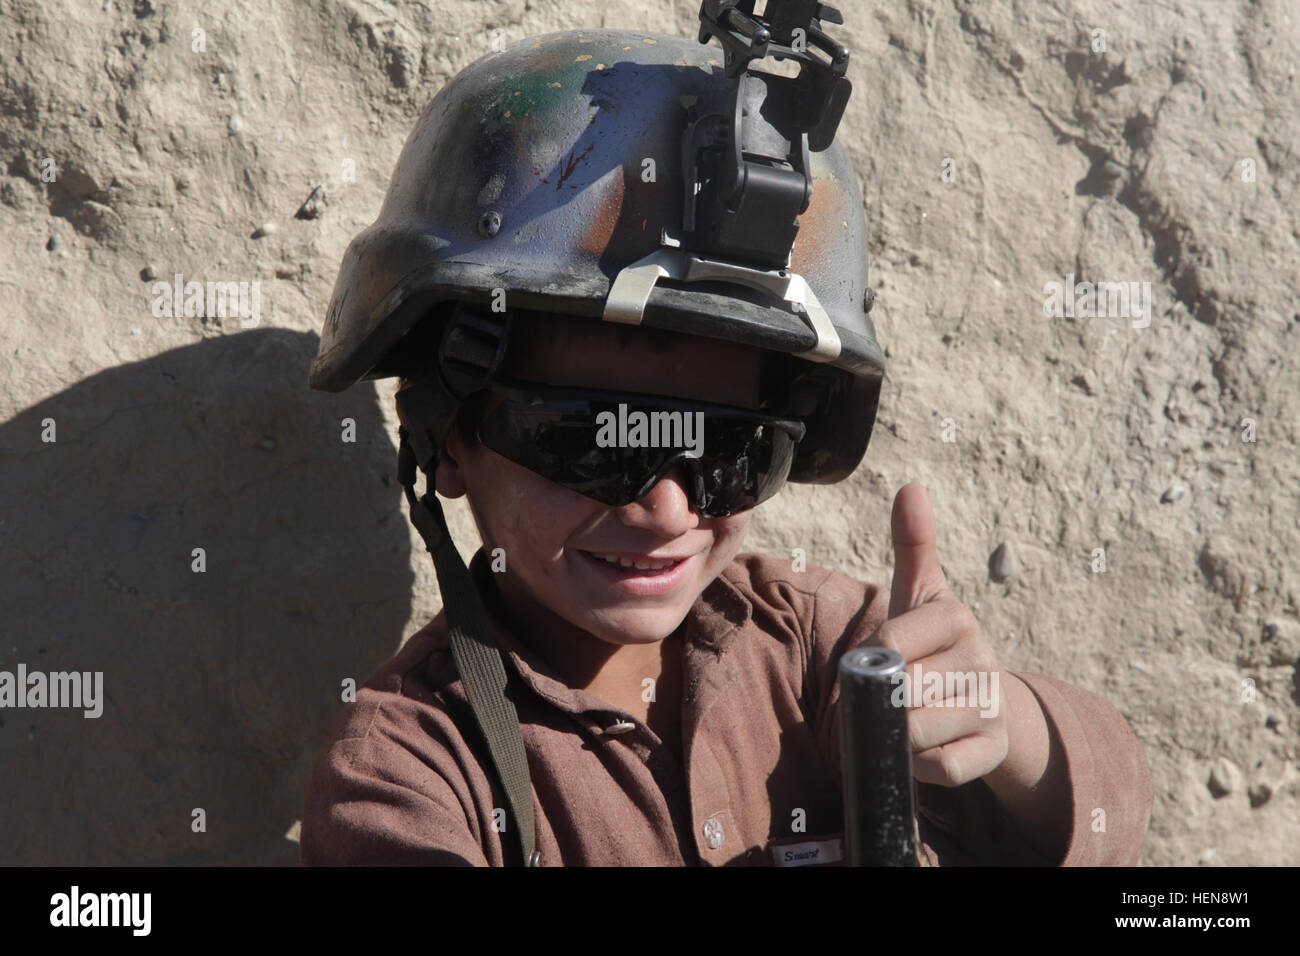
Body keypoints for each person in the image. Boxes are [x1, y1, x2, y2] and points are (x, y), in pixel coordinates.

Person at [299, 22, 1152, 867]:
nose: (667, 509)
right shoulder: (410, 770)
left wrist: (999, 722)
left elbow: (1110, 812)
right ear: (448, 436)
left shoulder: (825, 650)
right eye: (596, 440)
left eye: (728, 451)